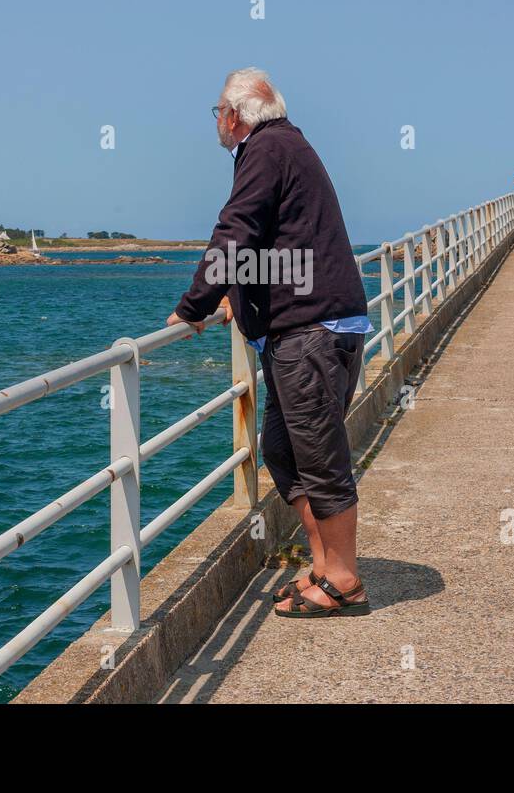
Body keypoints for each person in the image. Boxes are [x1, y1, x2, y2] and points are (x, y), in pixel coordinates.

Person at [168, 67, 371, 618]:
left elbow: (236, 230)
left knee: (319, 457)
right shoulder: (282, 145)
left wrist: (193, 307)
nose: (217, 121)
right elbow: (276, 239)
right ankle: (323, 564)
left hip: (312, 330)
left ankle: (345, 579)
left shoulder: (265, 149)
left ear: (234, 115)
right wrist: (239, 294)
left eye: (217, 111)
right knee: (283, 451)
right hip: (305, 325)